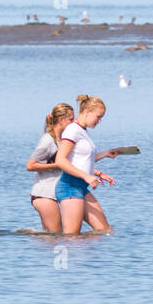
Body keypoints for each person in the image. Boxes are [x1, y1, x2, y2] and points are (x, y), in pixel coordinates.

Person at [53, 94, 117, 234]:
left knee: (105, 231)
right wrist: (87, 176)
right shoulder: (72, 130)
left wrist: (105, 154)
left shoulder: (82, 131)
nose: (99, 121)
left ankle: (88, 253)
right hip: (69, 187)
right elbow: (60, 160)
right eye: (98, 117)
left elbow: (81, 160)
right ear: (87, 112)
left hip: (81, 187)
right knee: (72, 237)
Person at [26, 102, 74, 232]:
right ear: (61, 120)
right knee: (55, 236)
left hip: (52, 194)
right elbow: (30, 165)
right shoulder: (48, 140)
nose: (73, 122)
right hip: (43, 194)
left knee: (51, 237)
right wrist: (57, 164)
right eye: (71, 119)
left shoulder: (61, 141)